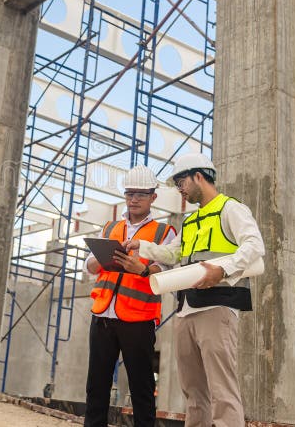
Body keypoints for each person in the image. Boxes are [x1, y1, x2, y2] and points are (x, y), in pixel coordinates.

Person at [124, 152, 264, 427]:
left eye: (181, 182)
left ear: (198, 176)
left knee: (222, 391)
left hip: (217, 308)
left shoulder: (230, 209)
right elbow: (173, 255)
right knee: (193, 393)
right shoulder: (190, 221)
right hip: (186, 310)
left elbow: (254, 245)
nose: (180, 190)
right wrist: (144, 247)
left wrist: (222, 270)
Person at [83, 164, 175, 427]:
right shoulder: (110, 227)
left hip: (138, 319)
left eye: (141, 194)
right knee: (96, 386)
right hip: (102, 315)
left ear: (153, 197)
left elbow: (167, 272)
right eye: (129, 193)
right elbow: (89, 266)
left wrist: (143, 269)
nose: (133, 199)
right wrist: (103, 259)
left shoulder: (164, 233)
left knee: (142, 388)